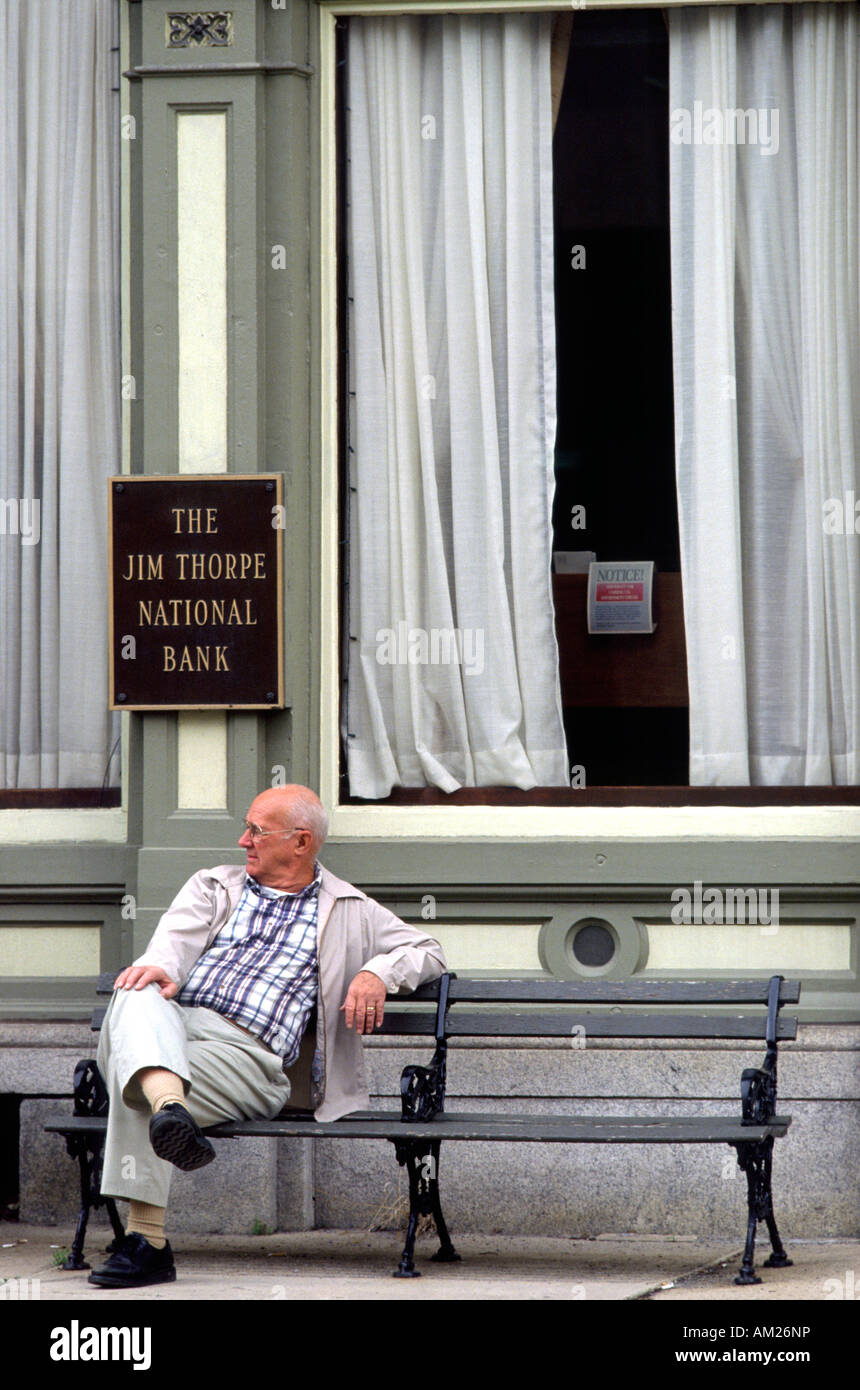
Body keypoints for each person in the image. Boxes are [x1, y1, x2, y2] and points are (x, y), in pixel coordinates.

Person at [87, 784, 446, 1289]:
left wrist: (376, 975)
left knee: (136, 1069)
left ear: (301, 842)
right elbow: (169, 945)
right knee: (137, 987)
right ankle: (170, 1114)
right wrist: (160, 967)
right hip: (173, 1030)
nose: (243, 841)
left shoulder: (350, 908)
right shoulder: (213, 886)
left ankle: (151, 1226)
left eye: (256, 830)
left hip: (248, 1059)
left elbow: (428, 949)